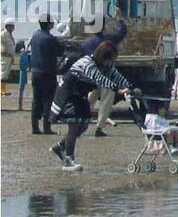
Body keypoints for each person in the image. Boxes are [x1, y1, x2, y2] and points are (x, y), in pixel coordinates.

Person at [49, 41, 135, 172]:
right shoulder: (87, 63)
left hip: (80, 95)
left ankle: (60, 147)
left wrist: (130, 87)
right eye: (110, 60)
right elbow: (100, 79)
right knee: (74, 126)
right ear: (103, 57)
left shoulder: (106, 66)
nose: (111, 63)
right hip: (68, 94)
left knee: (83, 126)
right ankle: (68, 160)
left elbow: (117, 76)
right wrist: (118, 90)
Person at [81, 14, 129, 135]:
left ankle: (81, 123)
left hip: (90, 78)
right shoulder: (108, 40)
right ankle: (99, 127)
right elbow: (122, 33)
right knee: (106, 103)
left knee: (89, 101)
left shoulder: (86, 43)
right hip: (106, 77)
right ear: (103, 26)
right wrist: (120, 20)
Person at [28, 16, 64, 135]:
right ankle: (47, 127)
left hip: (35, 72)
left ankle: (34, 127)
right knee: (48, 99)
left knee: (36, 99)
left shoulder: (35, 35)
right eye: (52, 22)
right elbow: (60, 51)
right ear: (49, 24)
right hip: (47, 72)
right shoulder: (50, 38)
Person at [1, 19, 16, 94]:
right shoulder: (3, 35)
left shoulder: (9, 35)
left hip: (9, 57)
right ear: (8, 26)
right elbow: (2, 47)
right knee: (3, 74)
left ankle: (3, 89)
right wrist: (6, 53)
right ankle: (2, 90)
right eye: (12, 26)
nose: (13, 28)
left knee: (6, 74)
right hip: (4, 57)